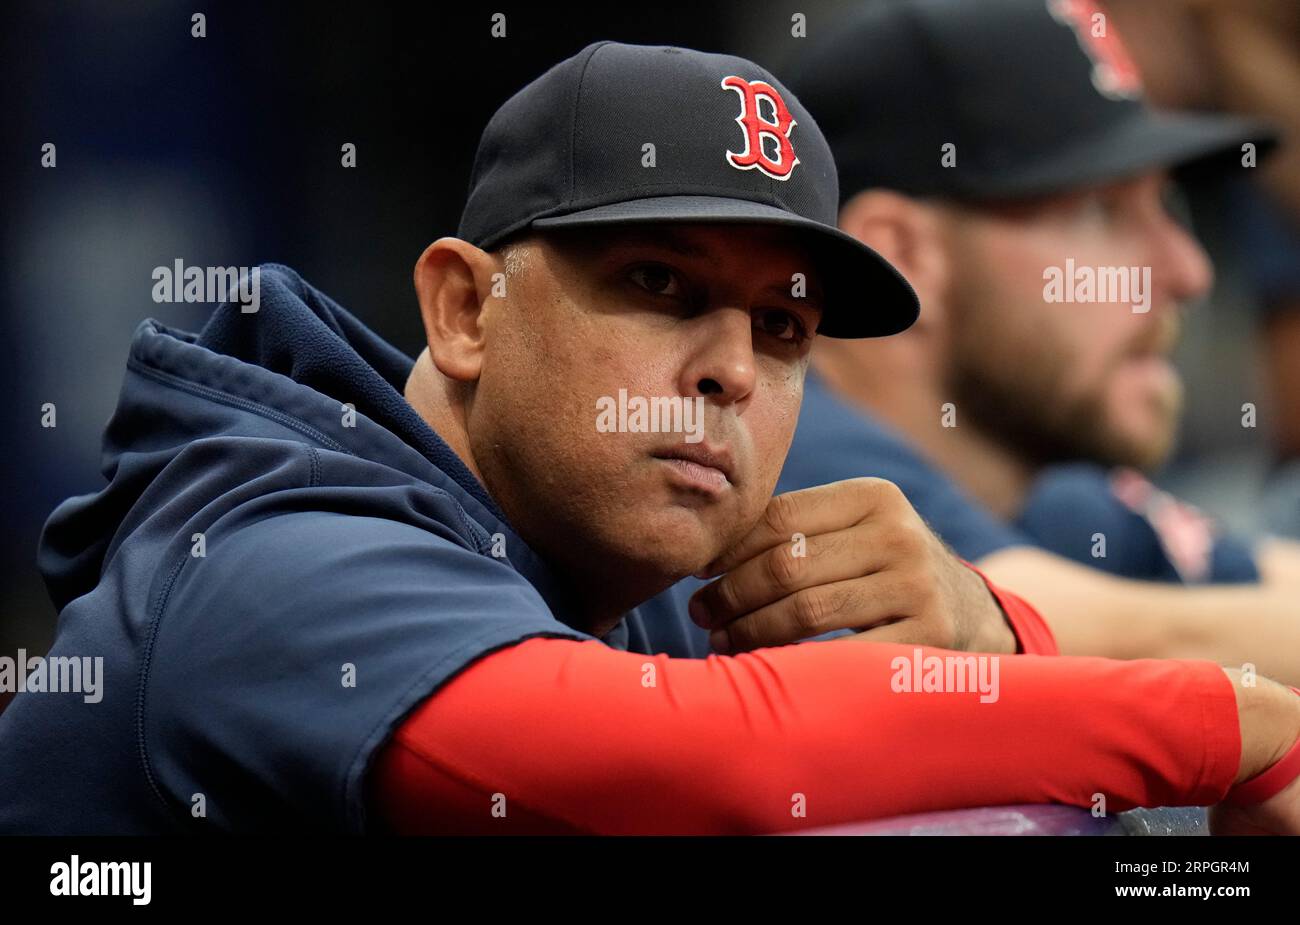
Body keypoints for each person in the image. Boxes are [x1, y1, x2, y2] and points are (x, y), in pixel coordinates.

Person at [3, 41, 1299, 835]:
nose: (732, 369)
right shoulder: (272, 551)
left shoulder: (651, 576)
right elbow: (713, 762)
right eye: (661, 286)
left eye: (785, 329)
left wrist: (990, 633)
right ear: (465, 309)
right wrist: (1220, 722)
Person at [665, 0, 1300, 682]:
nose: (1188, 271)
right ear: (904, 252)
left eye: (1165, 207)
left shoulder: (1048, 486)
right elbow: (1065, 635)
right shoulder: (780, 440)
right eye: (1102, 211)